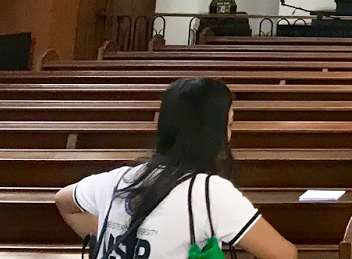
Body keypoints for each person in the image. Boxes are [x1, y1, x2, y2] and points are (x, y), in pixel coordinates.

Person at [54, 77, 296, 259]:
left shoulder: (120, 179)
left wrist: (117, 240)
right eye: (229, 125)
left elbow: (63, 200)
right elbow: (283, 254)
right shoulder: (209, 191)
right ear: (214, 132)